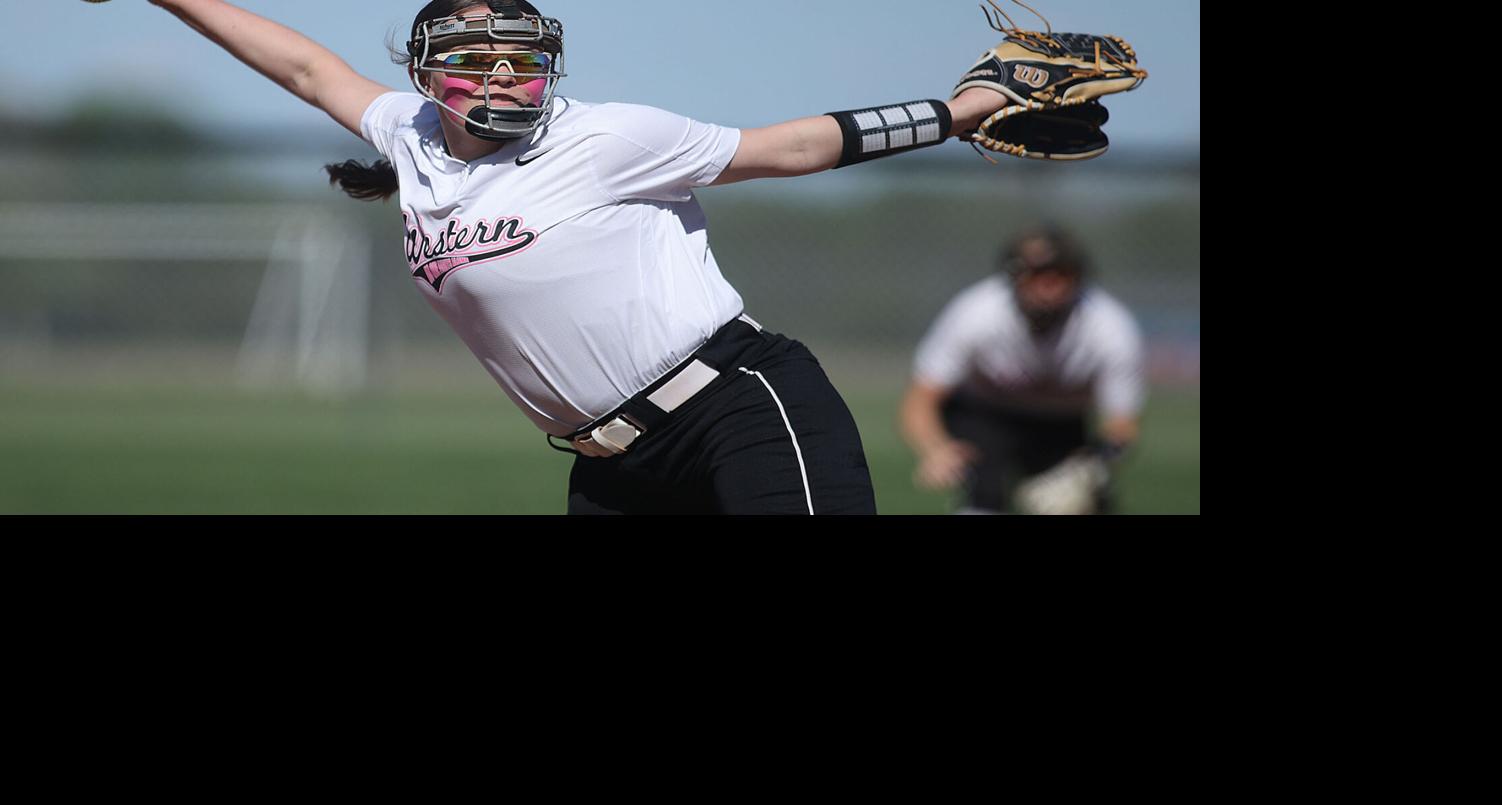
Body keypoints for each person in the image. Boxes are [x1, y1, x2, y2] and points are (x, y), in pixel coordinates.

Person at [145, 0, 1012, 515]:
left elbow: (789, 149)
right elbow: (300, 66)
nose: (498, 78)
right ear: (423, 75)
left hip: (735, 409)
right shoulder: (406, 137)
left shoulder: (603, 136)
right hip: (612, 468)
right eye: (470, 61)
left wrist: (960, 111)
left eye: (519, 61)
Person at [899, 226, 1145, 514]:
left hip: (1061, 423)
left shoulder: (1109, 327)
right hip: (985, 414)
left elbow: (1121, 424)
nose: (1049, 287)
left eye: (1061, 275)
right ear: (1014, 277)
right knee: (985, 493)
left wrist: (1095, 463)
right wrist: (936, 449)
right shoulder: (976, 314)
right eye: (1037, 275)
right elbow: (921, 398)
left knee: (1082, 502)